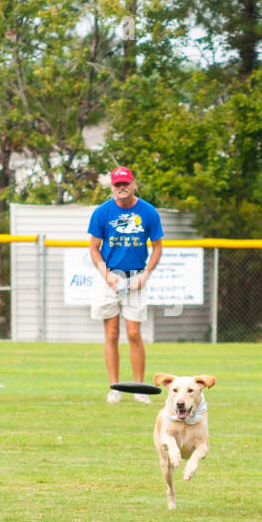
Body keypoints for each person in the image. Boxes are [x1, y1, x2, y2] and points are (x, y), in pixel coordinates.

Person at [88, 166, 163, 403]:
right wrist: (106, 274)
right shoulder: (102, 212)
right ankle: (115, 387)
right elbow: (94, 248)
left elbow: (157, 247)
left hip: (136, 276)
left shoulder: (148, 212)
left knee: (133, 333)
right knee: (111, 333)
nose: (122, 188)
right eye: (118, 185)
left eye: (126, 184)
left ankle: (139, 388)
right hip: (110, 277)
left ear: (133, 184)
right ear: (112, 187)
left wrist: (145, 276)